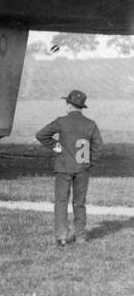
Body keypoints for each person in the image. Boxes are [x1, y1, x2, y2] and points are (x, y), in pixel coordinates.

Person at [35, 89, 103, 246]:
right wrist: (90, 162)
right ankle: (80, 237)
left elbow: (41, 135)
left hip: (63, 167)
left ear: (69, 105)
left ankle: (61, 237)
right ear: (81, 107)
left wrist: (55, 145)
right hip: (82, 169)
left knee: (61, 201)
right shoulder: (91, 124)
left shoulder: (61, 121)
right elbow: (99, 147)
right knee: (79, 203)